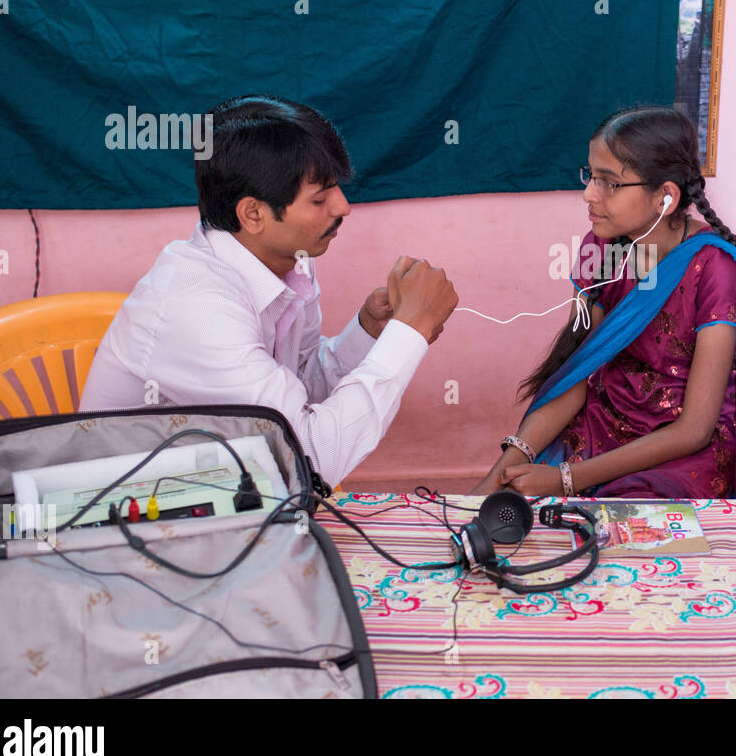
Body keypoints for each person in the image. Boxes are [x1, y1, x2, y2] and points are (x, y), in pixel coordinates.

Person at [80, 95, 458, 492]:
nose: (343, 207)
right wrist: (409, 333)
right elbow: (307, 461)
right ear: (253, 214)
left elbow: (295, 391)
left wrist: (370, 333)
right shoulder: (197, 308)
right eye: (319, 198)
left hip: (225, 494)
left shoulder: (290, 261)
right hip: (129, 516)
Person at [471, 106, 736, 522]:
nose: (589, 195)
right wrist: (495, 480)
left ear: (666, 197)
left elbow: (694, 429)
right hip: (600, 429)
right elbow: (573, 377)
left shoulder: (714, 269)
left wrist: (565, 480)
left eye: (610, 183)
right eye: (591, 176)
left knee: (616, 535)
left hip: (679, 454)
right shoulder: (600, 248)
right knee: (512, 520)